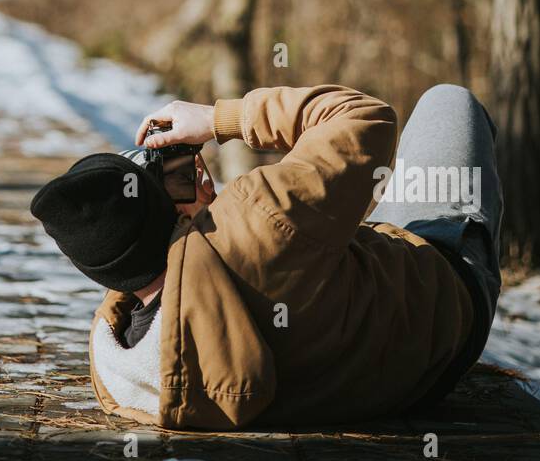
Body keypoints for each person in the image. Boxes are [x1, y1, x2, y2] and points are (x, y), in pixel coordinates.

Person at [30, 83, 503, 429]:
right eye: (174, 176)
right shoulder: (256, 220)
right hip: (445, 301)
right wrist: (220, 119)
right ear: (175, 213)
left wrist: (185, 214)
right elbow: (365, 117)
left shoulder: (124, 370)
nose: (195, 171)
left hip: (366, 374)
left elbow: (200, 282)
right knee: (447, 102)